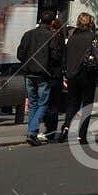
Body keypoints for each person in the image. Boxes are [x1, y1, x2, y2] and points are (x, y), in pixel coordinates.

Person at [16, 11, 63, 145]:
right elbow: (55, 57)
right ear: (52, 22)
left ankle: (32, 132)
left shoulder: (28, 34)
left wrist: (28, 62)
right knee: (43, 103)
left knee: (33, 104)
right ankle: (32, 132)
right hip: (43, 74)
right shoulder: (51, 36)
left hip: (29, 72)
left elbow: (20, 53)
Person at [59, 12, 98, 144]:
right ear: (90, 23)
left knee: (72, 104)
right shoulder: (93, 37)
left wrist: (66, 72)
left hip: (72, 74)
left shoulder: (72, 37)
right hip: (87, 74)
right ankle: (81, 135)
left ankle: (66, 127)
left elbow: (65, 56)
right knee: (87, 105)